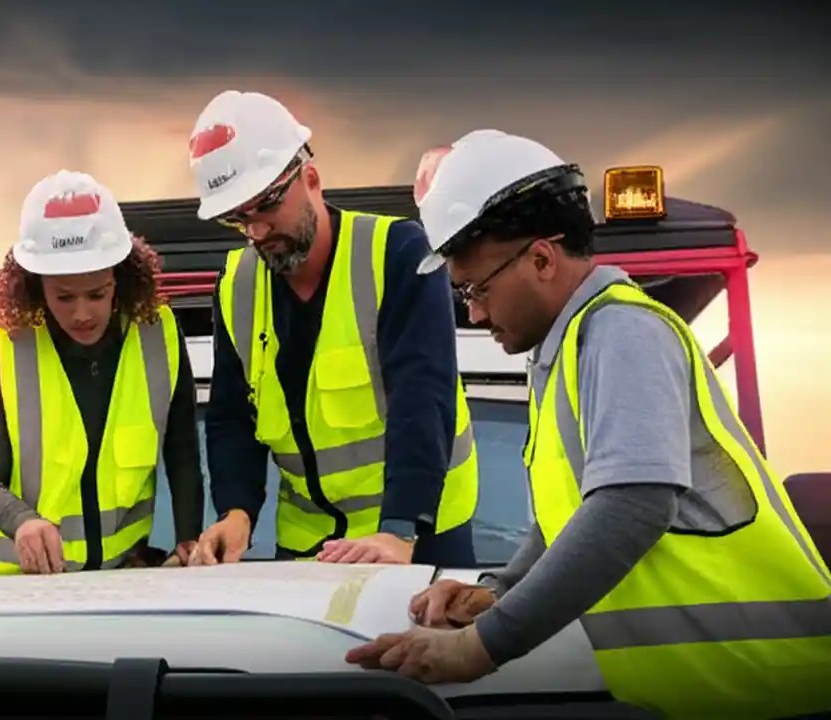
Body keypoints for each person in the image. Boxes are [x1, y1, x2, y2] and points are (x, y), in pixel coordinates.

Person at [344, 129, 831, 719]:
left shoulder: (622, 332)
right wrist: (497, 590)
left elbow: (632, 504)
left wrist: (478, 648)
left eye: (475, 288)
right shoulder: (571, 348)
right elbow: (575, 517)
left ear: (543, 259)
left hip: (775, 690)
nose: (471, 310)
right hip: (724, 692)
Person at [185, 90, 479, 567]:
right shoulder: (237, 284)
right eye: (237, 218)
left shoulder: (396, 253)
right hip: (311, 545)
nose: (256, 232)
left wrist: (400, 529)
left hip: (417, 537)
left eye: (265, 207)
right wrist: (236, 512)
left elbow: (423, 396)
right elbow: (232, 417)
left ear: (312, 179)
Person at [0, 169, 204, 577]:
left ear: (120, 279)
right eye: (63, 296)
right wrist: (21, 521)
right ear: (35, 286)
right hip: (8, 589)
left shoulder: (160, 337)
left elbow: (184, 454)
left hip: (119, 580)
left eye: (97, 294)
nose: (82, 313)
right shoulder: (3, 353)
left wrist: (188, 538)